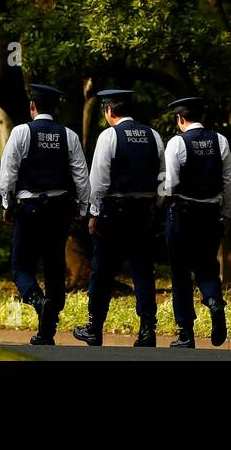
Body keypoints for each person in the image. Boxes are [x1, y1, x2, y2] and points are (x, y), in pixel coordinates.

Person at [0, 83, 90, 345]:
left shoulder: (21, 132)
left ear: (32, 106)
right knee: (54, 266)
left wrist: (7, 204)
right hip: (59, 210)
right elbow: (81, 177)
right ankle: (47, 331)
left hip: (30, 208)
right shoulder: (68, 135)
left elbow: (8, 174)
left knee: (21, 267)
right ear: (56, 108)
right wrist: (83, 209)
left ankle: (38, 301)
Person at [73, 89, 164, 347]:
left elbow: (99, 180)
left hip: (115, 213)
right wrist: (154, 205)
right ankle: (147, 331)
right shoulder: (153, 136)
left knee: (101, 272)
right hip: (143, 213)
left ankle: (94, 327)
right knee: (143, 272)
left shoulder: (109, 136)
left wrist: (94, 213)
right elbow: (163, 177)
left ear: (109, 111)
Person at [162, 96, 231, 348]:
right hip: (210, 214)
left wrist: (159, 203)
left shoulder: (177, 143)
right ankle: (214, 302)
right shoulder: (220, 141)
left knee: (180, 274)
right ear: (201, 117)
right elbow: (227, 183)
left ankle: (185, 333)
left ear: (180, 118)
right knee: (207, 267)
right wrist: (226, 214)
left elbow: (168, 184)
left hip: (183, 214)